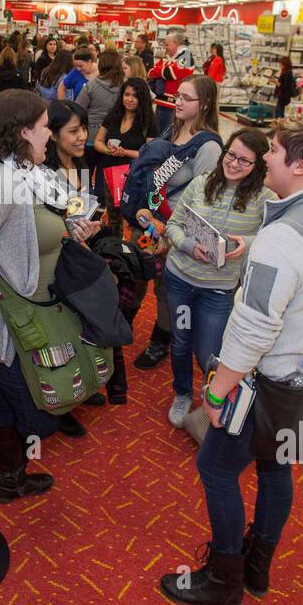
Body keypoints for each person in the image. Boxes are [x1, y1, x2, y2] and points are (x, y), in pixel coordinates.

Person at [160, 113, 303, 605]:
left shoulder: (285, 237)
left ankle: (224, 578)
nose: (266, 155)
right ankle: (256, 567)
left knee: (217, 469)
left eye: (275, 151)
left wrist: (218, 389)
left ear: (301, 164)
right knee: (275, 468)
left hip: (267, 380)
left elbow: (255, 325)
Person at [0, 91, 103, 503]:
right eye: (45, 125)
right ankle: (11, 474)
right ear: (25, 131)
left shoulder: (22, 171)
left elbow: (24, 233)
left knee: (9, 404)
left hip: (28, 315)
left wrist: (69, 232)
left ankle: (10, 478)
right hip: (10, 322)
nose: (50, 133)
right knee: (38, 413)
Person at [161, 129, 271, 427]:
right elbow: (173, 225)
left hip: (217, 291)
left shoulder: (265, 199)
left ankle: (213, 395)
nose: (234, 164)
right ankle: (182, 393)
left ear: (258, 166)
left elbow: (274, 239)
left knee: (209, 350)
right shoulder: (201, 183)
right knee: (181, 340)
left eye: (244, 161)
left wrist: (249, 242)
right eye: (231, 155)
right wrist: (186, 244)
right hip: (180, 279)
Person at [132, 74, 224, 374]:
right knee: (137, 270)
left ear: (205, 104)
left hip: (174, 228)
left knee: (164, 286)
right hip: (150, 219)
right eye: (178, 96)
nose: (177, 101)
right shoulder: (173, 129)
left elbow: (204, 201)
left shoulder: (208, 147)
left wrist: (175, 236)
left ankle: (162, 339)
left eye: (186, 98)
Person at [42, 99, 99, 435]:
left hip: (83, 257)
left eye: (84, 129)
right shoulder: (43, 174)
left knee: (82, 329)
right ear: (52, 135)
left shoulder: (82, 163)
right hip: (58, 265)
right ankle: (59, 404)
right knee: (59, 337)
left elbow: (88, 207)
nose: (82, 137)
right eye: (73, 131)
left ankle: (81, 387)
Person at [93, 75, 155, 206]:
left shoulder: (148, 122)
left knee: (123, 212)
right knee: (101, 208)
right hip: (105, 171)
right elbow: (98, 141)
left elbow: (149, 155)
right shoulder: (113, 115)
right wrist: (108, 151)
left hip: (129, 176)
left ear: (142, 99)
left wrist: (124, 152)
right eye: (127, 94)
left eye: (135, 96)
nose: (130, 99)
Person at [75, 47, 124, 182]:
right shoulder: (125, 87)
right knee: (108, 180)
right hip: (114, 139)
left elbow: (78, 109)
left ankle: (82, 199)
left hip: (91, 136)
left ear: (101, 64)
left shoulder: (91, 85)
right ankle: (103, 201)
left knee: (84, 175)